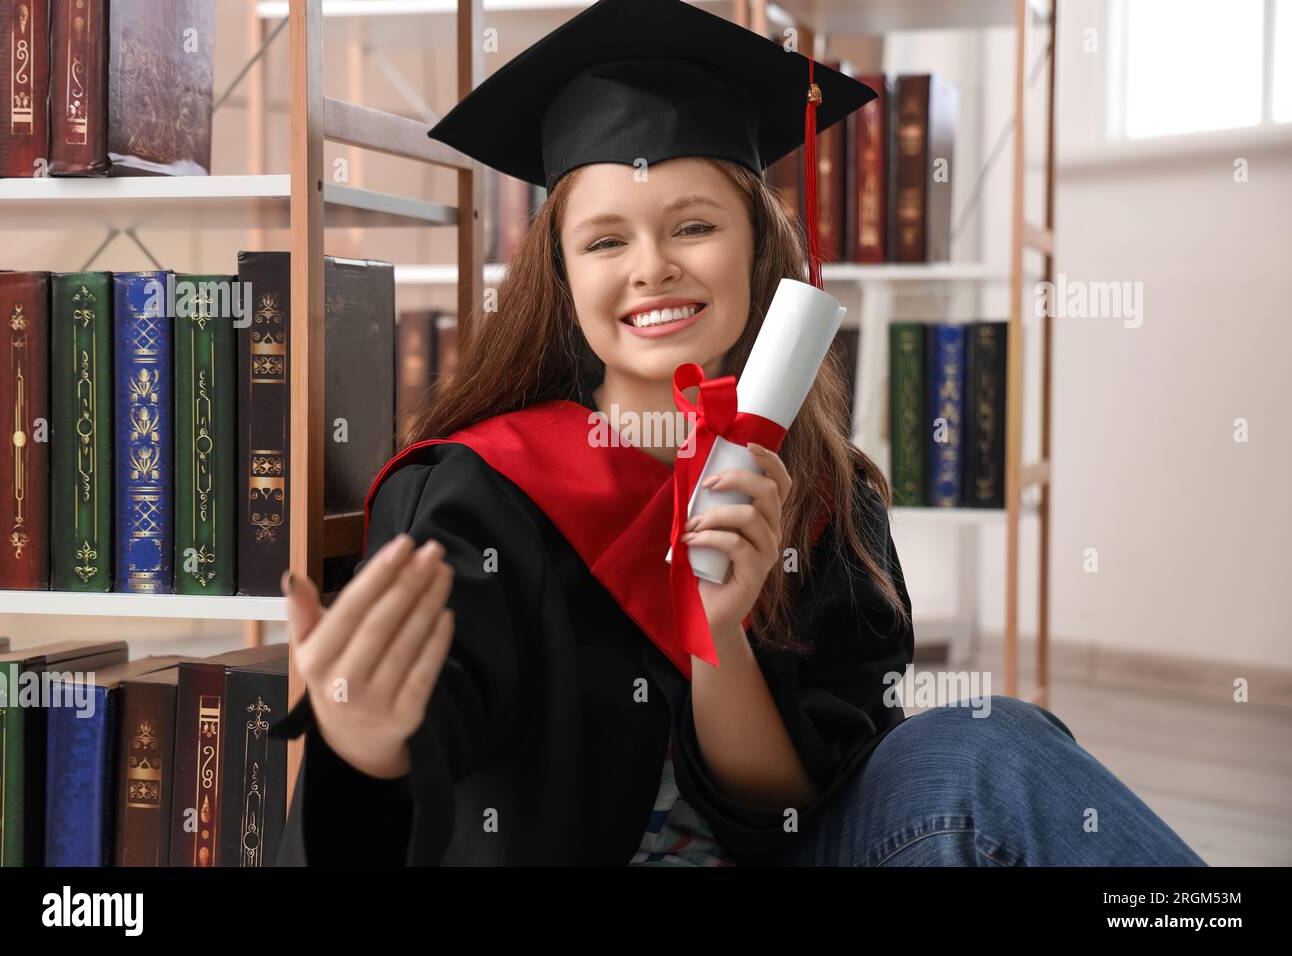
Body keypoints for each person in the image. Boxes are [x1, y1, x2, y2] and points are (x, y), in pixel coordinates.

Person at [270, 0, 1206, 868]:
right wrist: (365, 740)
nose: (653, 269)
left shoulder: (825, 493)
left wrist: (719, 630)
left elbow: (794, 812)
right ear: (558, 275)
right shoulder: (478, 492)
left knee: (989, 744)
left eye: (694, 226)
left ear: (759, 251)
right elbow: (419, 755)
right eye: (605, 241)